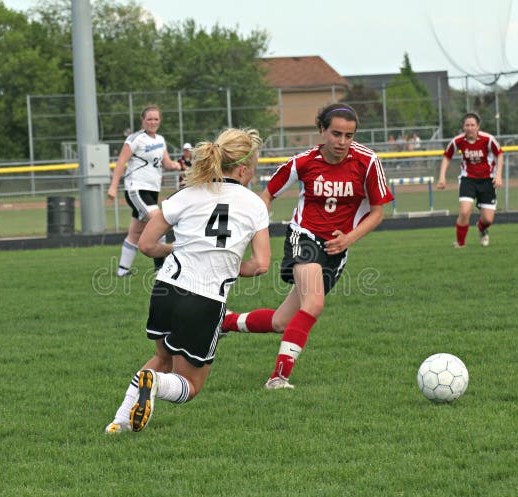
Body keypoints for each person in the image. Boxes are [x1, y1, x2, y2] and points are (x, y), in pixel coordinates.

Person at [104, 128, 271, 433]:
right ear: (243, 169)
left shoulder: (186, 193)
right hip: (205, 299)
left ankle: (119, 423)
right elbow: (261, 264)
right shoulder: (255, 205)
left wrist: (175, 250)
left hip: (166, 289)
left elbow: (147, 245)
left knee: (162, 357)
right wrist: (227, 265)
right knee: (190, 385)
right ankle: (155, 384)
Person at [221, 103, 394, 390]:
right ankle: (278, 377)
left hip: (337, 250)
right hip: (304, 238)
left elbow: (378, 212)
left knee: (281, 321)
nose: (342, 141)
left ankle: (224, 322)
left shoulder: (367, 161)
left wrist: (349, 238)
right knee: (314, 304)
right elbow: (267, 195)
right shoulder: (303, 162)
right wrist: (250, 231)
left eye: (349, 135)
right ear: (322, 131)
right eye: (336, 133)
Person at [107, 105, 182, 276]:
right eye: (149, 119)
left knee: (135, 233)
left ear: (160, 121)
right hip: (136, 190)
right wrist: (113, 186)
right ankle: (160, 269)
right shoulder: (135, 139)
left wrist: (176, 166)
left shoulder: (160, 140)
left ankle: (122, 270)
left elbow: (166, 163)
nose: (152, 122)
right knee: (159, 222)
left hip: (152, 191)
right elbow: (120, 163)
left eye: (156, 119)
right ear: (142, 120)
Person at [437, 112, 503, 247]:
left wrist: (498, 175)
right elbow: (447, 156)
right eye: (467, 125)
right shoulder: (458, 141)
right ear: (463, 127)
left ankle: (482, 228)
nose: (470, 128)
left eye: (472, 125)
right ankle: (460, 244)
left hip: (487, 180)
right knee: (464, 211)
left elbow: (500, 155)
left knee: (488, 219)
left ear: (478, 126)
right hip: (468, 179)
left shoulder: (488, 139)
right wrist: (442, 176)